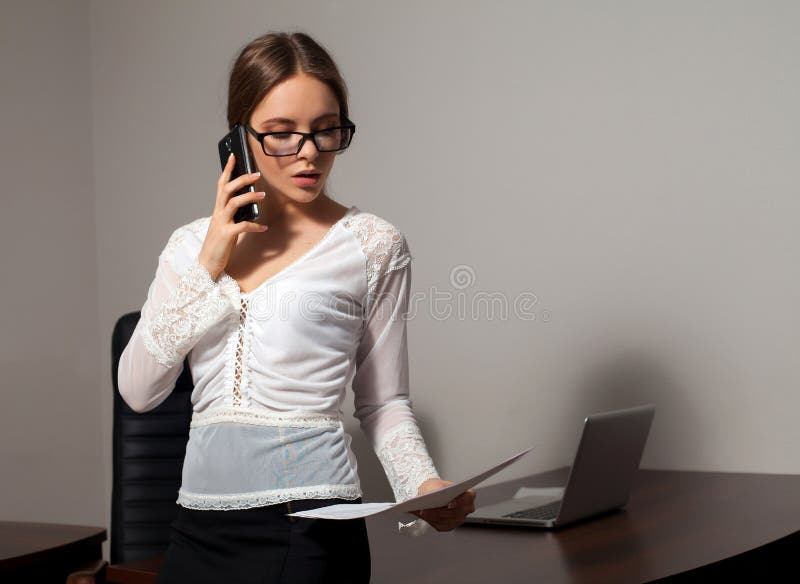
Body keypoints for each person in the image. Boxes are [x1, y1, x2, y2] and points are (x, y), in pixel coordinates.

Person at [117, 31, 476, 584]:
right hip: (196, 530)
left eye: (327, 129)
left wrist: (422, 486)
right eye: (281, 134)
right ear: (239, 137)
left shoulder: (373, 244)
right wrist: (210, 264)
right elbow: (139, 393)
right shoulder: (190, 247)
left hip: (311, 528)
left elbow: (383, 403)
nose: (309, 152)